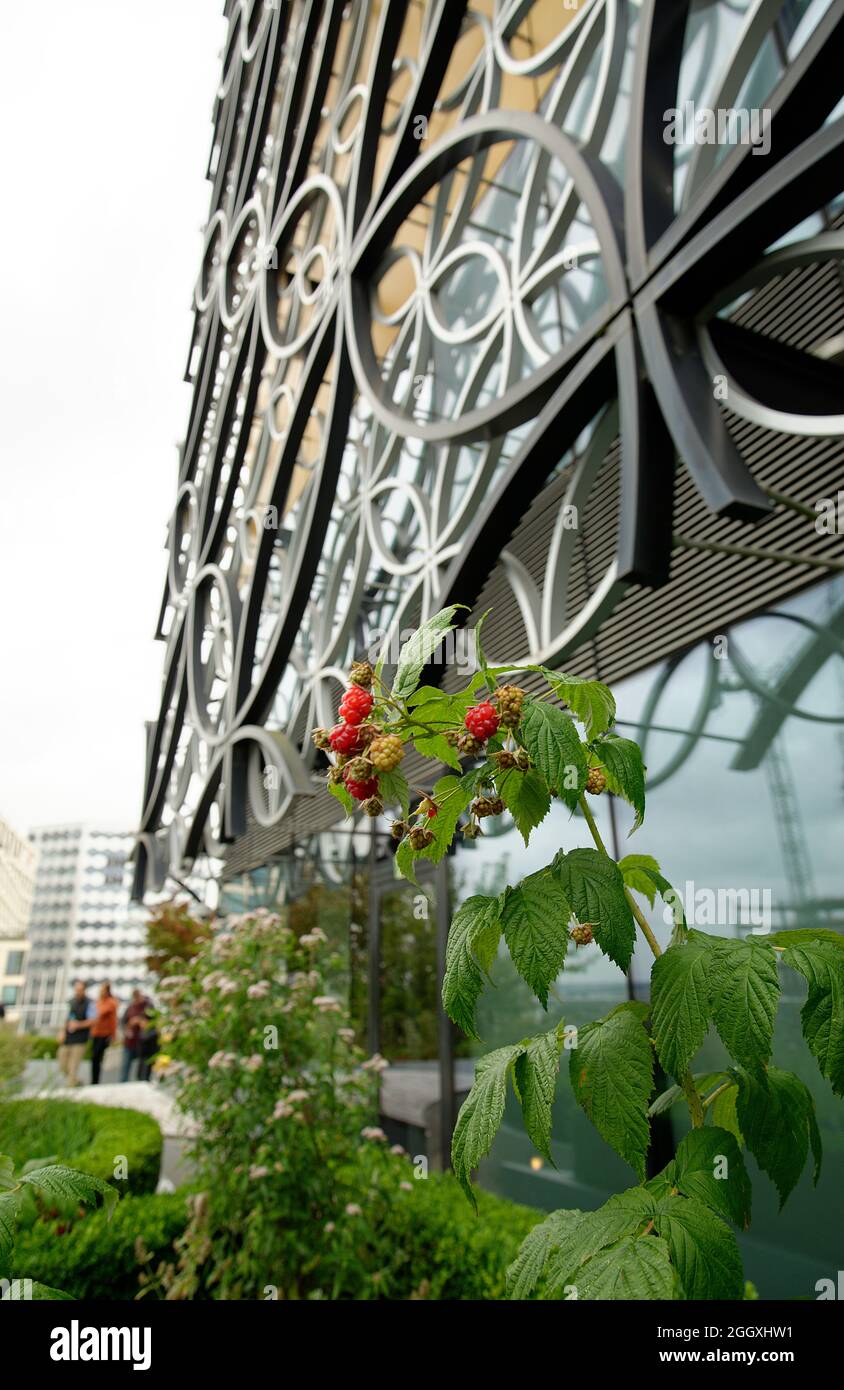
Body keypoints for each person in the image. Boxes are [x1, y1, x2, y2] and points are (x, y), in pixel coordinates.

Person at [57, 980, 94, 1087]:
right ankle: (77, 1081)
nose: (78, 992)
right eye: (76, 990)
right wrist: (62, 1032)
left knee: (73, 1068)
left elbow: (93, 1021)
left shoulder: (90, 1003)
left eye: (80, 990)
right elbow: (66, 1019)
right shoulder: (71, 1002)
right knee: (63, 1067)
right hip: (68, 1039)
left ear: (84, 990)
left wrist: (79, 1025)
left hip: (80, 1040)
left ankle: (69, 1092)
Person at [121, 988, 153, 1082]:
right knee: (125, 1068)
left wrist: (142, 1022)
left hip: (144, 1043)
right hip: (130, 1041)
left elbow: (152, 1024)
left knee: (142, 1070)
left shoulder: (148, 1007)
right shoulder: (130, 1007)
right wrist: (129, 1025)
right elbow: (123, 1023)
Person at [89, 982, 118, 1084]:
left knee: (98, 1057)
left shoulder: (110, 1003)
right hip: (95, 1033)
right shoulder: (98, 1002)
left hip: (104, 1034)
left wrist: (114, 1036)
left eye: (103, 990)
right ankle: (94, 1080)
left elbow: (112, 1020)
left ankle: (95, 1081)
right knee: (94, 1058)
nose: (101, 992)